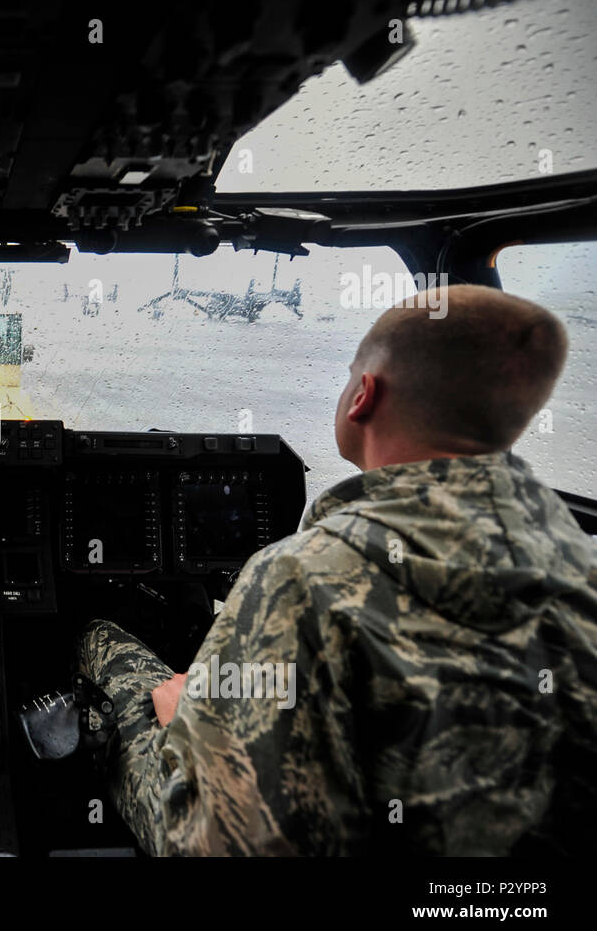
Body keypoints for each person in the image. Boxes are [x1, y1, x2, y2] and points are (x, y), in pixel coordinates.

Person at [79, 284, 597, 855]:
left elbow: (207, 843)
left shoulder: (301, 579)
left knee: (100, 640)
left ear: (363, 396)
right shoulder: (582, 563)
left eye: (351, 373)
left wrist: (176, 729)